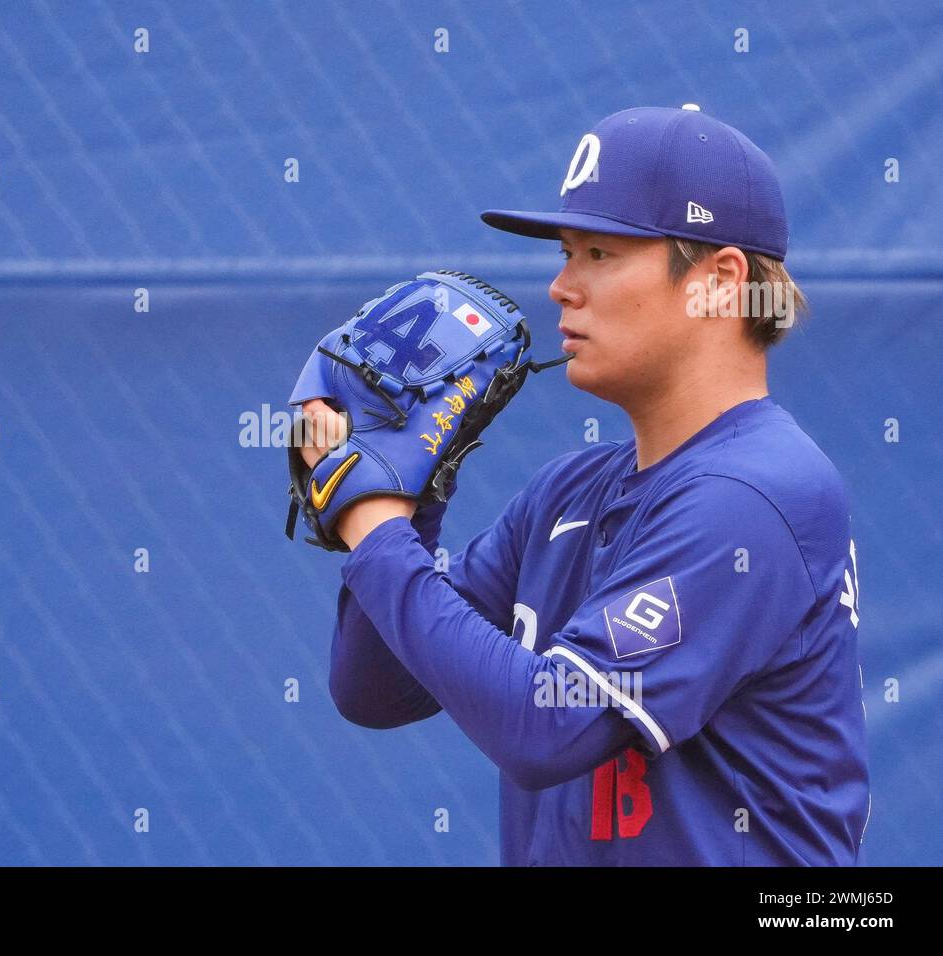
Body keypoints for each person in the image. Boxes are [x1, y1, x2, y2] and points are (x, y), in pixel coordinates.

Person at [298, 105, 870, 865]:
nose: (562, 286)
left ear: (721, 281)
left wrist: (372, 523)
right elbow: (374, 689)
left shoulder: (757, 493)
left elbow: (546, 726)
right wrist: (416, 497)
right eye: (567, 251)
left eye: (600, 252)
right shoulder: (566, 493)